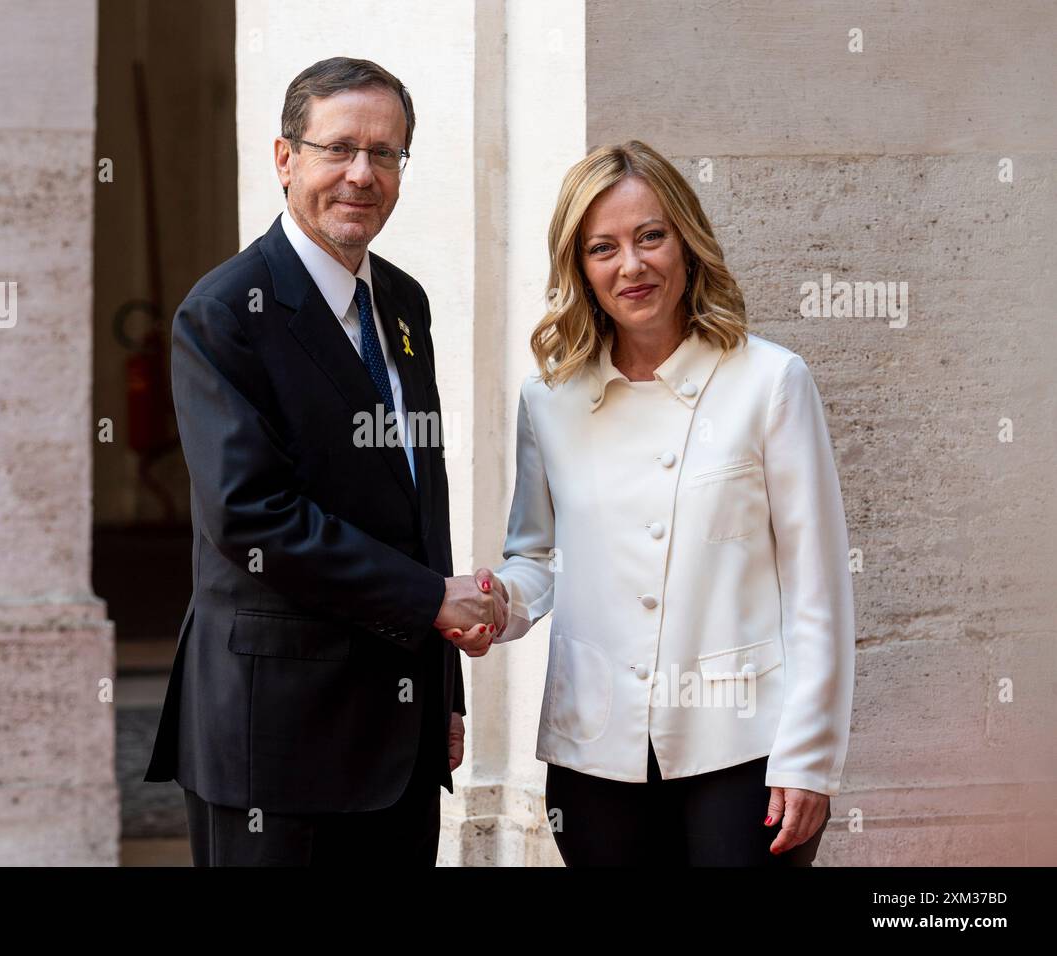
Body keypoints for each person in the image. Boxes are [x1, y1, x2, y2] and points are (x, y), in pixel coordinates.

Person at [143, 57, 505, 866]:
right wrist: (431, 601)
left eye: (384, 153)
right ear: (285, 158)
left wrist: (442, 691)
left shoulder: (403, 303)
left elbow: (420, 500)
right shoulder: (224, 313)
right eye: (339, 148)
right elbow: (251, 516)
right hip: (276, 742)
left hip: (399, 739)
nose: (361, 174)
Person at [466, 141, 856, 866]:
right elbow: (536, 556)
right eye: (602, 248)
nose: (631, 265)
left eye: (651, 236)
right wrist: (496, 603)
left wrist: (810, 756)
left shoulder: (770, 382)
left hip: (741, 745)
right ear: (579, 268)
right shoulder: (548, 400)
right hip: (594, 750)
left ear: (687, 242)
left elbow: (818, 588)